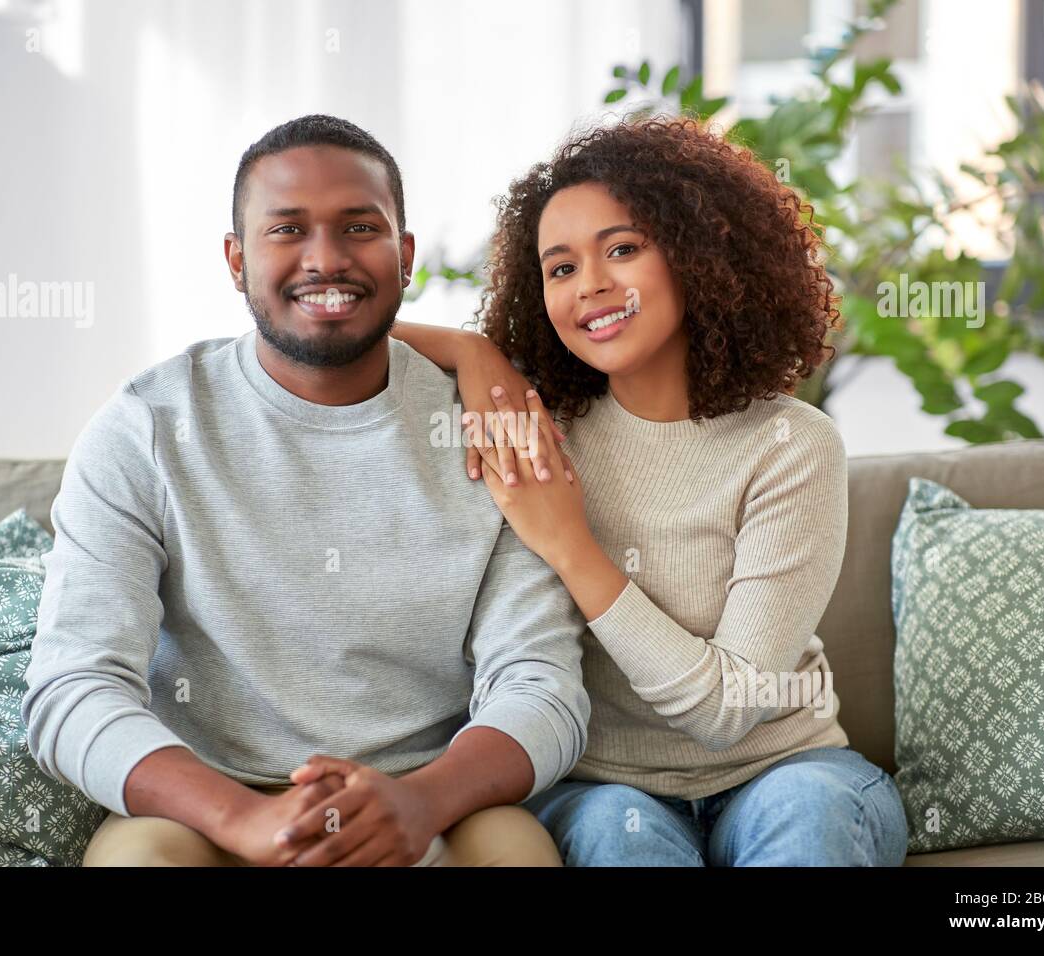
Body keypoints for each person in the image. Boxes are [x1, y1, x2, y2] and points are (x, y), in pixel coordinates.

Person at [22, 114, 590, 867]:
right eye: (286, 230)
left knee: (516, 852)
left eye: (360, 226)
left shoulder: (489, 429)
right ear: (236, 259)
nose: (326, 259)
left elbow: (543, 684)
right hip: (207, 815)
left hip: (430, 808)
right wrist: (245, 820)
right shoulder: (146, 429)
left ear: (404, 253)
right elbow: (71, 690)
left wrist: (420, 801)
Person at [390, 114, 910, 866]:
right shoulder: (537, 425)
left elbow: (730, 711)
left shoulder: (792, 445)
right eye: (560, 268)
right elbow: (345, 328)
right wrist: (471, 349)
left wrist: (570, 545)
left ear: (699, 255)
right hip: (603, 788)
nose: (592, 286)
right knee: (614, 832)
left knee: (809, 813)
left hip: (786, 772)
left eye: (623, 249)